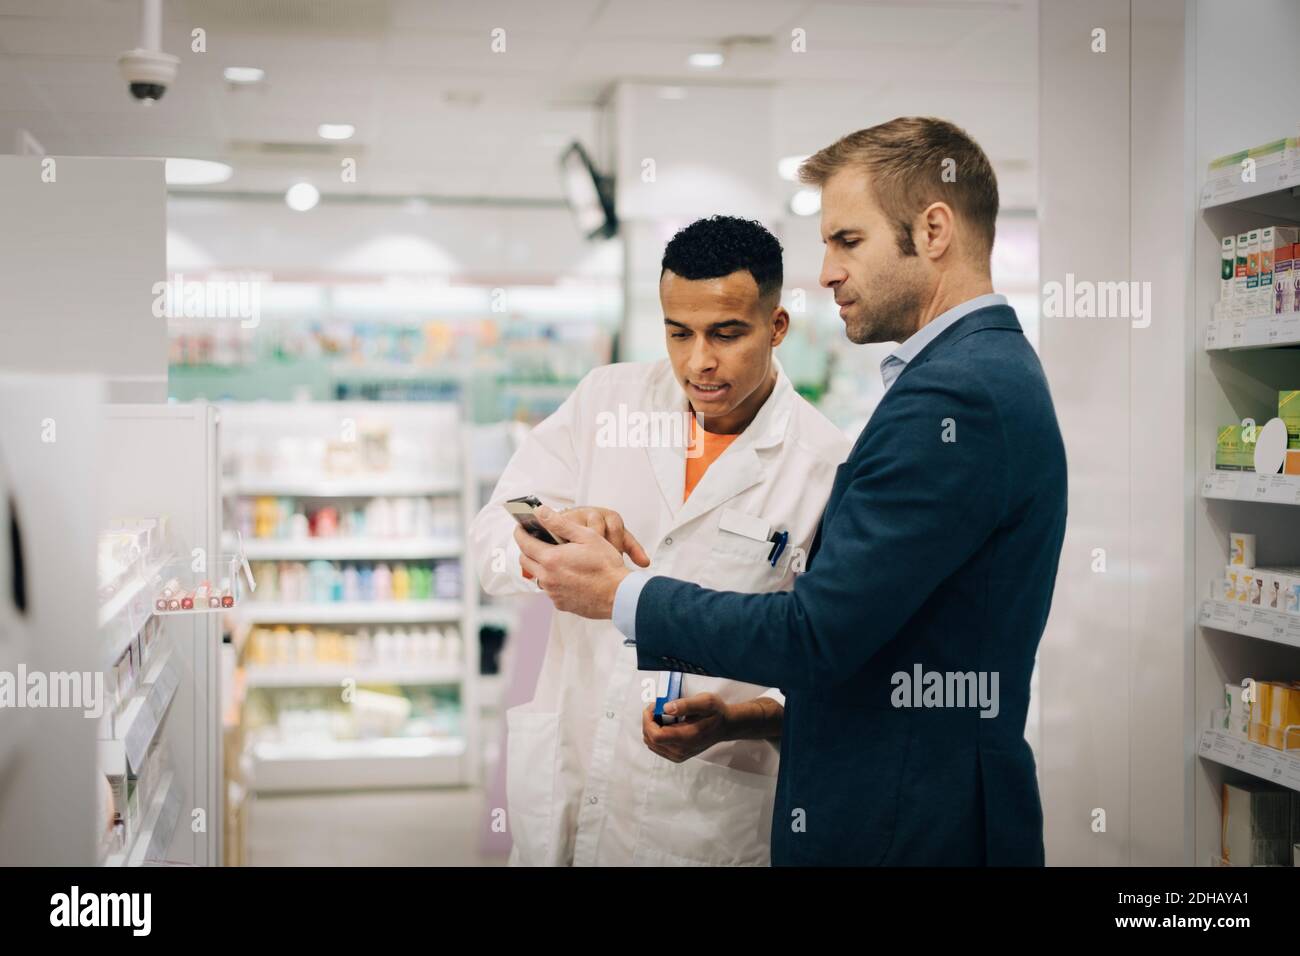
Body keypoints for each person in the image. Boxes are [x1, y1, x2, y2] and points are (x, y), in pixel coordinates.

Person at [515, 117, 1069, 866]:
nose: (829, 272)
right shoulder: (976, 374)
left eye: (848, 240)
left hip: (907, 826)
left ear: (933, 229)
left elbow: (817, 633)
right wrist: (753, 721)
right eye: (679, 332)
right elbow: (889, 648)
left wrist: (623, 594)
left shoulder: (956, 396)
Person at [469, 215, 849, 866]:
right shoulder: (605, 401)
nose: (698, 361)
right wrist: (558, 534)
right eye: (679, 333)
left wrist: (746, 717)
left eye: (726, 334)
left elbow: (833, 659)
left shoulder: (824, 465)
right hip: (575, 773)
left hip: (702, 817)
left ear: (777, 327)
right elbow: (493, 534)